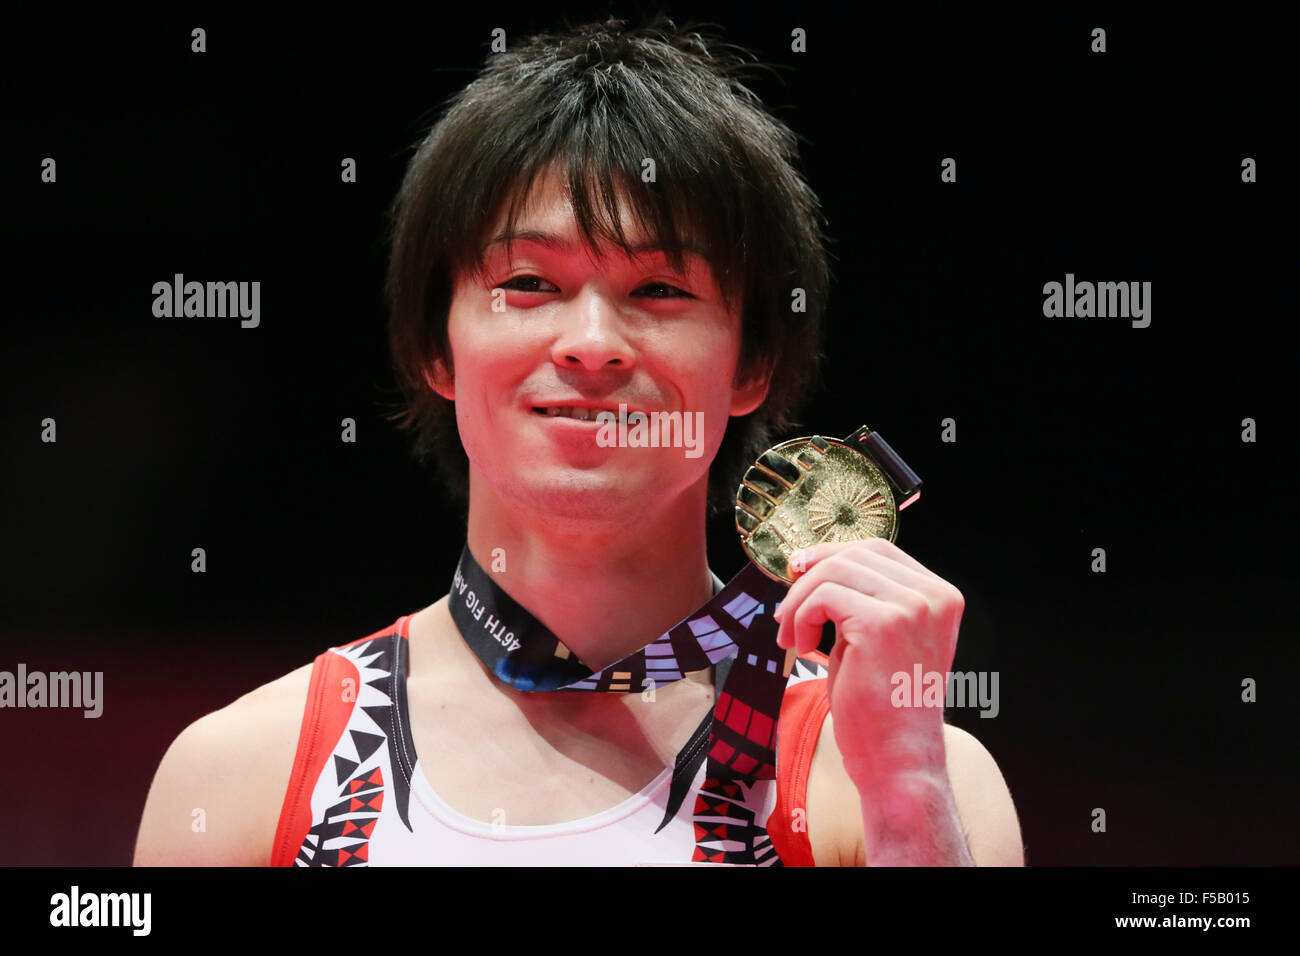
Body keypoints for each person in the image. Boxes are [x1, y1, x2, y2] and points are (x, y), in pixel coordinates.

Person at [134, 15, 1023, 866]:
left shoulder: (900, 782)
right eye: (528, 280)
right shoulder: (246, 778)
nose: (592, 343)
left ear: (752, 363)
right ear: (435, 347)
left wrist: (906, 799)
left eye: (662, 289)